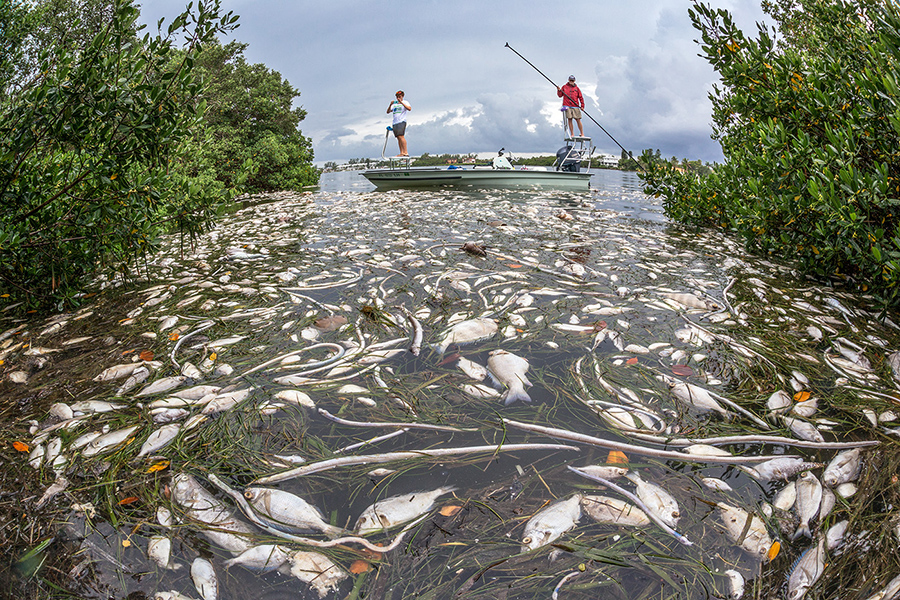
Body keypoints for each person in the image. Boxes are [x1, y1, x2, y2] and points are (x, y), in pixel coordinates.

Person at [387, 90, 412, 156]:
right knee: (398, 137)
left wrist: (401, 103)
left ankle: (405, 152)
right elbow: (388, 111)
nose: (398, 98)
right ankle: (402, 152)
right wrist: (390, 104)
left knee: (401, 136)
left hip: (401, 121)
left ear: (402, 96)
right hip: (395, 122)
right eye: (397, 97)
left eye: (399, 96)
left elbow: (409, 109)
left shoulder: (405, 102)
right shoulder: (394, 104)